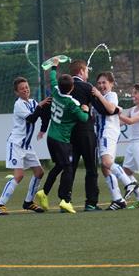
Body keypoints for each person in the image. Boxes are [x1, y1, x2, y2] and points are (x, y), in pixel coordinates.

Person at [34, 58, 91, 214]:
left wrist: (54, 66)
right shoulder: (72, 103)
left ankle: (43, 192)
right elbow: (84, 118)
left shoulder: (55, 91)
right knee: (68, 168)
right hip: (62, 140)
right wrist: (85, 108)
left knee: (60, 165)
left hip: (51, 138)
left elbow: (52, 79)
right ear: (72, 88)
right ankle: (65, 200)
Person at [0, 77, 51, 216]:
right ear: (17, 92)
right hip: (16, 144)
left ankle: (28, 202)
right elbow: (31, 118)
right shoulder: (19, 105)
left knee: (39, 172)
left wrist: (43, 129)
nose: (25, 89)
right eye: (22, 88)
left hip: (26, 146)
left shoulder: (32, 102)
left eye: (26, 87)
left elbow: (43, 115)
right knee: (19, 176)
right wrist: (40, 106)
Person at [67, 59, 119, 212]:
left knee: (70, 168)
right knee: (91, 168)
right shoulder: (87, 87)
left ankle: (65, 201)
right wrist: (116, 110)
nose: (87, 74)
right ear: (82, 71)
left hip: (69, 132)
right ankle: (90, 202)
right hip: (86, 133)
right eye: (87, 71)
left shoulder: (64, 87)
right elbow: (102, 109)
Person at [94, 71, 139, 210]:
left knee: (107, 162)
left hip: (108, 132)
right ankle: (118, 199)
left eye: (104, 83)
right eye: (99, 83)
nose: (101, 85)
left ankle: (128, 183)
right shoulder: (101, 98)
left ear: (111, 84)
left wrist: (98, 95)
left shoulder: (110, 95)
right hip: (103, 132)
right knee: (105, 167)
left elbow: (111, 108)